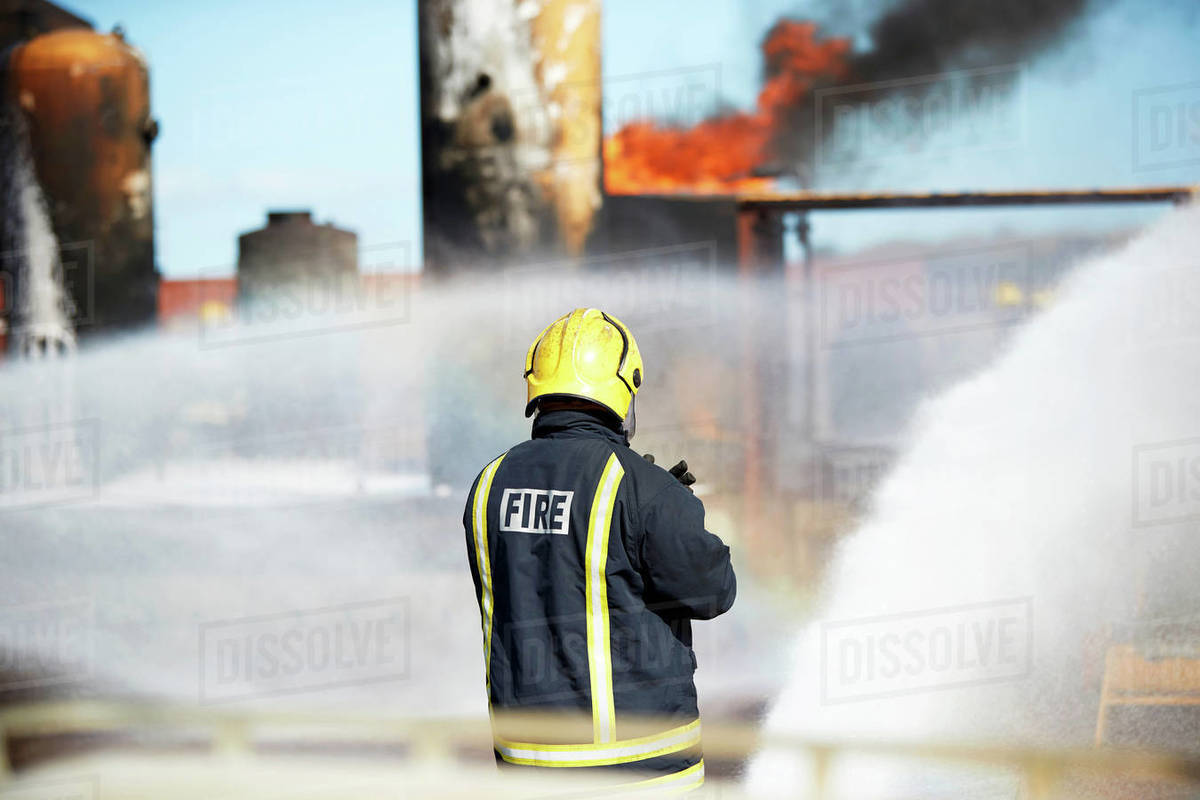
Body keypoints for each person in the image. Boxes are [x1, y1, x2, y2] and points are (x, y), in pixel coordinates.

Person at [463, 307, 736, 794]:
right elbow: (713, 591)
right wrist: (669, 506)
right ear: (623, 390)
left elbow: (552, 569)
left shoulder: (488, 484)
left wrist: (647, 513)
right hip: (640, 769)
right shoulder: (641, 489)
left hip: (527, 766)